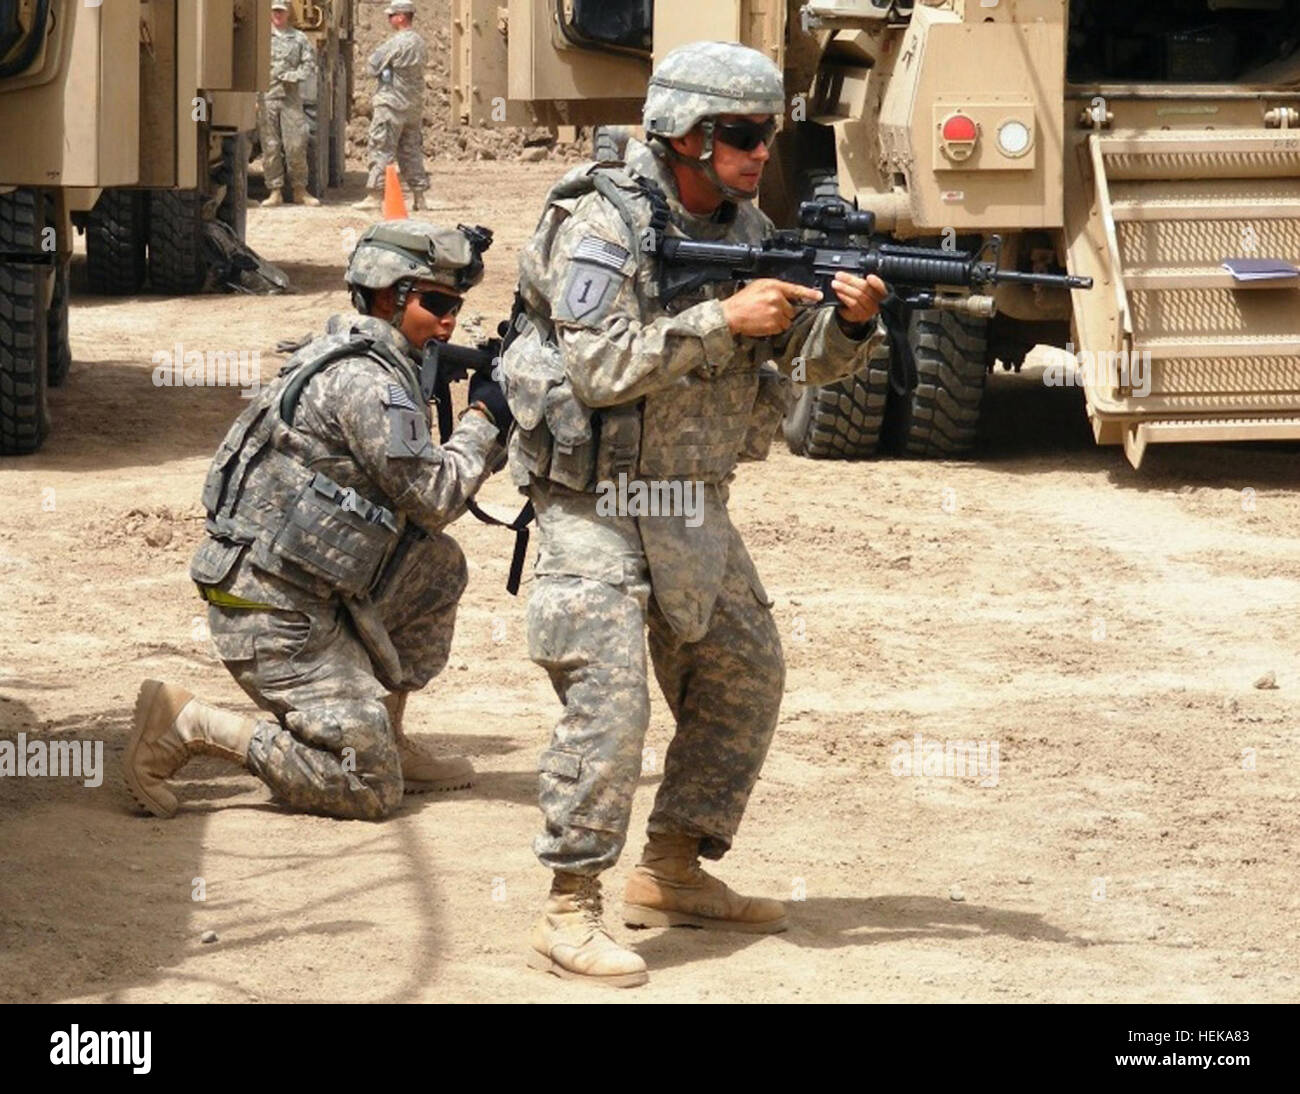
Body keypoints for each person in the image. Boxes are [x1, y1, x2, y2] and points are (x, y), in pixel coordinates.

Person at [503, 40, 889, 987]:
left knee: (746, 673)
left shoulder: (750, 225)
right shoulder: (599, 225)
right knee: (612, 703)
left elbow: (799, 365)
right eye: (742, 135)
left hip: (687, 500)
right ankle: (568, 907)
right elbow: (595, 369)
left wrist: (848, 325)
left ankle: (672, 868)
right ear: (683, 135)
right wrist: (725, 320)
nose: (762, 153)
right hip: (593, 502)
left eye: (769, 135)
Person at [124, 221, 514, 821]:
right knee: (367, 787)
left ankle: (383, 730)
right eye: (436, 303)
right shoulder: (367, 382)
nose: (449, 322)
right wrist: (486, 416)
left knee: (435, 564)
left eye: (455, 306)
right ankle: (194, 724)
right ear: (389, 296)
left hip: (306, 593)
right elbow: (435, 495)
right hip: (273, 617)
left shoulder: (364, 357)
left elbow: (418, 516)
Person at [353, 0, 429, 211]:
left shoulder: (396, 43)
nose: (388, 19)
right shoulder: (420, 43)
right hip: (412, 106)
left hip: (391, 104)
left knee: (381, 148)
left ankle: (375, 195)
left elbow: (372, 65)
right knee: (411, 151)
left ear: (401, 17)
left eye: (391, 15)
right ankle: (419, 196)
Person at [260, 1, 320, 208]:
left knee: (296, 144)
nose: (278, 15)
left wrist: (293, 76)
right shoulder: (260, 38)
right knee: (270, 146)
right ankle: (275, 191)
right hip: (267, 98)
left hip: (290, 98)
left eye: (281, 11)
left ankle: (299, 190)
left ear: (287, 14)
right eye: (275, 11)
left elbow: (309, 65)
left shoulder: (299, 38)